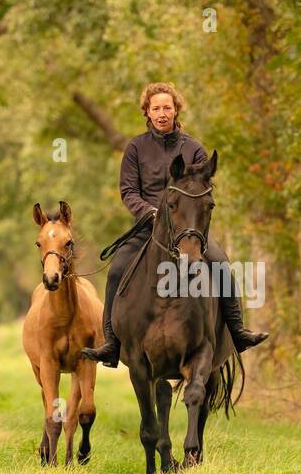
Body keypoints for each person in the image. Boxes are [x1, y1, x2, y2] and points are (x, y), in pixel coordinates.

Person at [82, 81, 269, 368]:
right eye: (155, 108)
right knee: (118, 267)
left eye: (167, 107)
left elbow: (203, 186)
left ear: (176, 110)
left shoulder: (194, 148)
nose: (161, 113)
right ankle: (110, 343)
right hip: (148, 229)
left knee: (220, 262)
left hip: (188, 230)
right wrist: (149, 213)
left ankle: (238, 331)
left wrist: (186, 218)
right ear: (147, 111)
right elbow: (128, 191)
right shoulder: (135, 148)